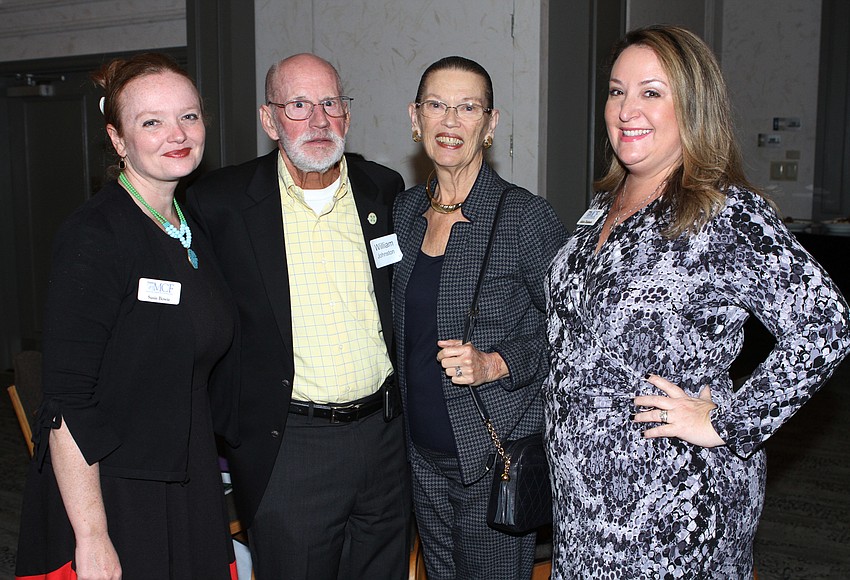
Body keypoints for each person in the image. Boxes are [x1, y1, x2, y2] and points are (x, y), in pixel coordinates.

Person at [545, 24, 850, 578]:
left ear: (693, 105)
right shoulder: (603, 205)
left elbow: (825, 326)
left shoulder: (724, 213)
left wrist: (727, 420)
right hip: (584, 506)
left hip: (672, 509)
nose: (626, 108)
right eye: (617, 91)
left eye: (651, 92)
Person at [186, 53, 410, 579]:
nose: (318, 120)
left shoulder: (385, 189)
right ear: (269, 120)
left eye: (330, 103)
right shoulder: (219, 204)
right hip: (289, 446)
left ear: (347, 115)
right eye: (299, 105)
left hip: (385, 439)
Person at [15, 53, 237, 579]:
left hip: (187, 480)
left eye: (189, 115)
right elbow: (67, 405)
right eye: (151, 122)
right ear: (117, 140)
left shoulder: (189, 227)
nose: (176, 133)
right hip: (114, 494)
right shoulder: (95, 235)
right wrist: (92, 537)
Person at [393, 56, 568, 580]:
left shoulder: (522, 215)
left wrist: (497, 362)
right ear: (415, 117)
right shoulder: (402, 213)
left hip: (492, 455)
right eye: (437, 105)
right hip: (420, 457)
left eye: (467, 107)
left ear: (489, 125)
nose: (450, 121)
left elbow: (575, 331)